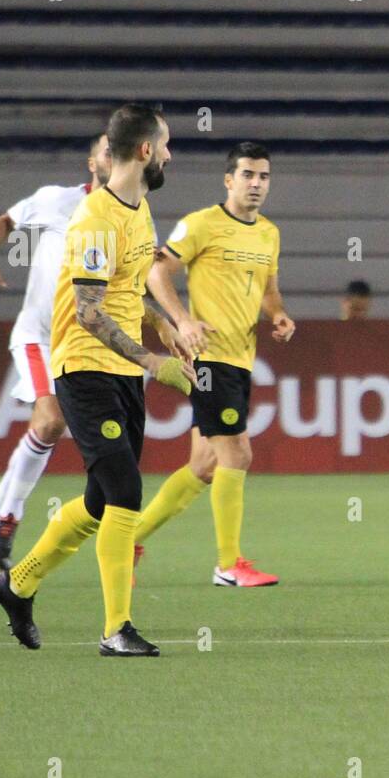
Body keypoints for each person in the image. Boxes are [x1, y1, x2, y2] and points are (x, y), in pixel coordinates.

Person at [0, 103, 196, 657]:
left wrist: (162, 324)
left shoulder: (140, 210)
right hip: (84, 370)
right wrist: (154, 362)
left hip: (123, 374)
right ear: (146, 151)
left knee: (103, 502)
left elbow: (127, 294)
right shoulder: (95, 220)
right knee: (127, 491)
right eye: (167, 144)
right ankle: (116, 630)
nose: (172, 153)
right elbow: (89, 313)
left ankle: (18, 583)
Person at [135, 141, 293, 586]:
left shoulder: (268, 233)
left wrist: (278, 315)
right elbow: (154, 271)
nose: (256, 183)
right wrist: (181, 321)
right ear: (229, 180)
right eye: (247, 175)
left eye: (263, 176)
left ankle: (129, 537)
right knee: (237, 453)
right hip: (210, 360)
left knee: (204, 466)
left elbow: (268, 290)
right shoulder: (201, 224)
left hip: (241, 360)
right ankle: (228, 564)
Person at [0, 134, 112, 568]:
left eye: (117, 150)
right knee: (51, 421)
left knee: (48, 427)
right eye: (106, 150)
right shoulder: (57, 200)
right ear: (91, 162)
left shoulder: (130, 219)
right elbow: (6, 221)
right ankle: (8, 518)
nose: (112, 157)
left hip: (80, 342)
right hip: (39, 336)